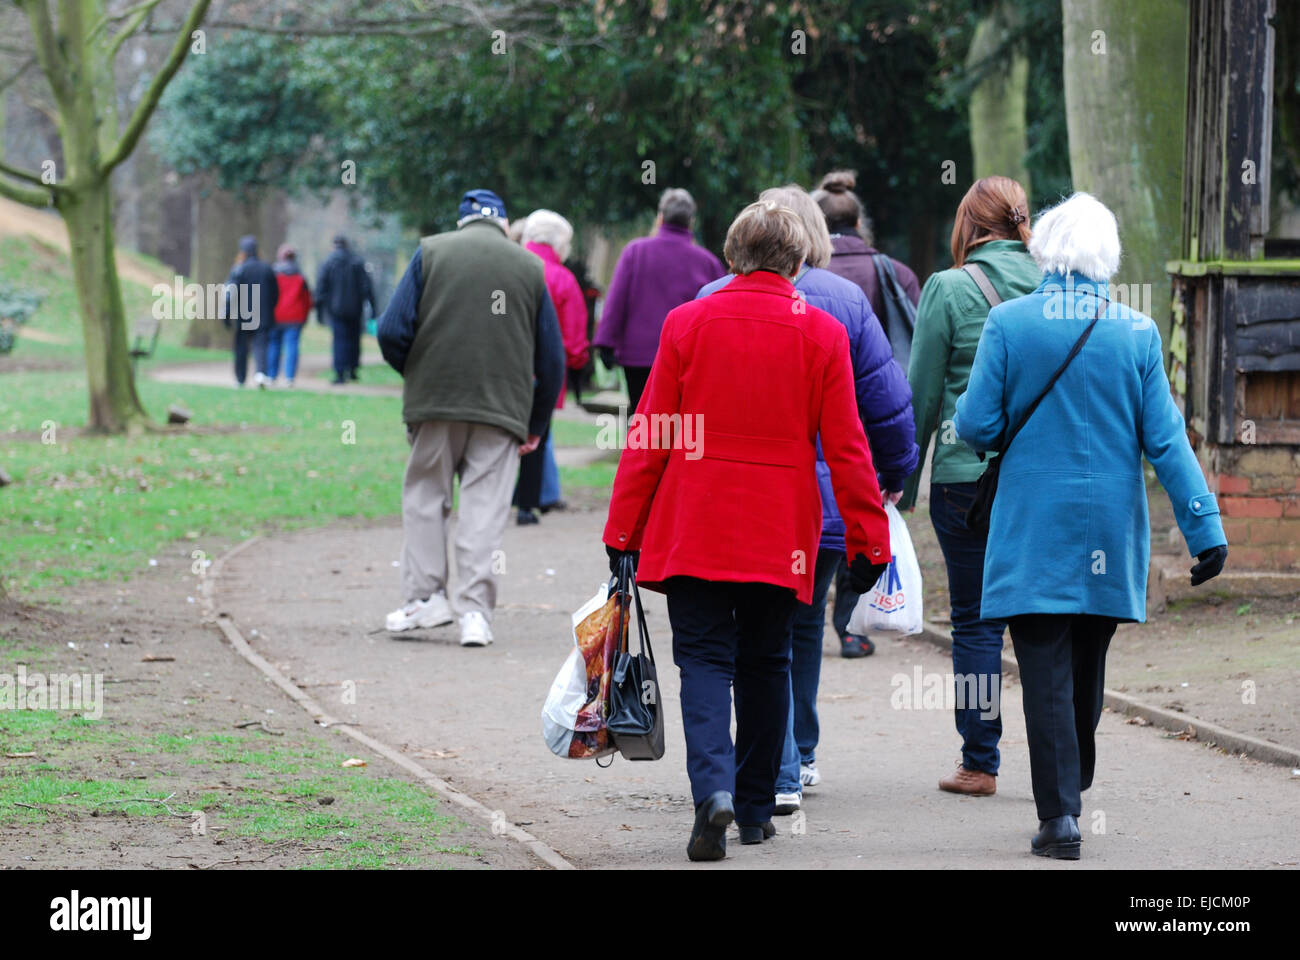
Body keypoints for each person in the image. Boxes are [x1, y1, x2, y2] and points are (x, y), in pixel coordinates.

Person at [603, 200, 891, 862]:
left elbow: (650, 436)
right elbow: (848, 449)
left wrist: (623, 529)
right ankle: (757, 807)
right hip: (779, 531)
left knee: (703, 657)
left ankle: (713, 793)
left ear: (731, 255)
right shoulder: (820, 334)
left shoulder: (686, 323)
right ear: (797, 261)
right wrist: (867, 541)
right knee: (768, 661)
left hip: (694, 525)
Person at [954, 193, 1228, 859]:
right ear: (1107, 257)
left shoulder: (1010, 325)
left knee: (1043, 664)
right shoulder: (1134, 332)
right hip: (1109, 531)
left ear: (1046, 250)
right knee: (1086, 663)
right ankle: (1071, 785)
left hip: (1032, 531)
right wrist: (1205, 528)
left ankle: (1060, 816)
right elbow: (1166, 440)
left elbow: (977, 426)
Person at [696, 185, 917, 816]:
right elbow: (886, 401)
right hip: (820, 501)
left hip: (737, 498)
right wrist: (896, 473)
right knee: (799, 628)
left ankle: (772, 766)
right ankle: (797, 758)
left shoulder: (712, 301)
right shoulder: (846, 301)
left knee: (747, 633)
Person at [900, 176, 1043, 798]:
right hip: (1042, 482)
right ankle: (1058, 765)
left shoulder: (949, 288)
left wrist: (901, 487)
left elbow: (923, 395)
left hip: (965, 481)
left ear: (971, 225)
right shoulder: (1056, 286)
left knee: (976, 624)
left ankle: (980, 763)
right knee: (1044, 620)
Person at [376, 189, 565, 647]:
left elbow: (390, 330)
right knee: (483, 511)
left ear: (462, 222)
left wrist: (418, 373)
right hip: (502, 409)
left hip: (435, 402)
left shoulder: (430, 252)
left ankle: (426, 598)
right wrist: (536, 424)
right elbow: (553, 358)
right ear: (503, 223)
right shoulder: (530, 267)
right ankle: (475, 613)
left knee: (426, 497)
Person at [812, 169, 924, 654]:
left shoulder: (804, 274)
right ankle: (851, 624)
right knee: (863, 509)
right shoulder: (895, 272)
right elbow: (914, 346)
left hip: (817, 416)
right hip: (875, 413)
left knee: (824, 512)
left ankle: (809, 616)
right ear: (860, 221)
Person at [592, 188, 724, 412]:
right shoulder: (708, 262)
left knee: (641, 418)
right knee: (680, 420)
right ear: (691, 222)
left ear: (660, 217)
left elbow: (616, 300)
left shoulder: (635, 252)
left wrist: (606, 343)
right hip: (686, 358)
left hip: (638, 356)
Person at [515, 209, 590, 524]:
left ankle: (498, 493)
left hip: (506, 368)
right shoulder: (563, 278)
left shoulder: (511, 267)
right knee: (537, 435)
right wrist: (576, 362)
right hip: (544, 371)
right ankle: (527, 505)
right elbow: (574, 334)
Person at [317, 234, 377, 385]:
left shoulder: (329, 263)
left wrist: (320, 309)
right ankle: (352, 369)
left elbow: (321, 288)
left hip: (336, 309)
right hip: (355, 308)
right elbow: (366, 287)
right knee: (353, 338)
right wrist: (372, 307)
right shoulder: (357, 262)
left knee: (339, 340)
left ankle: (340, 372)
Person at [223, 235, 278, 388]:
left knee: (241, 347)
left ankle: (240, 379)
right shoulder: (267, 268)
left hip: (243, 314)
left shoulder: (239, 269)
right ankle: (260, 373)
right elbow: (275, 293)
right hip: (263, 314)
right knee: (261, 345)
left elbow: (230, 293)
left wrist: (226, 314)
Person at [267, 244, 313, 388]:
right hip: (295, 317)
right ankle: (289, 377)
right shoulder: (300, 277)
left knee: (274, 345)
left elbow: (267, 296)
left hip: (276, 316)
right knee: (292, 346)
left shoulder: (273, 275)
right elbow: (307, 299)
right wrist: (304, 316)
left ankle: (271, 376)